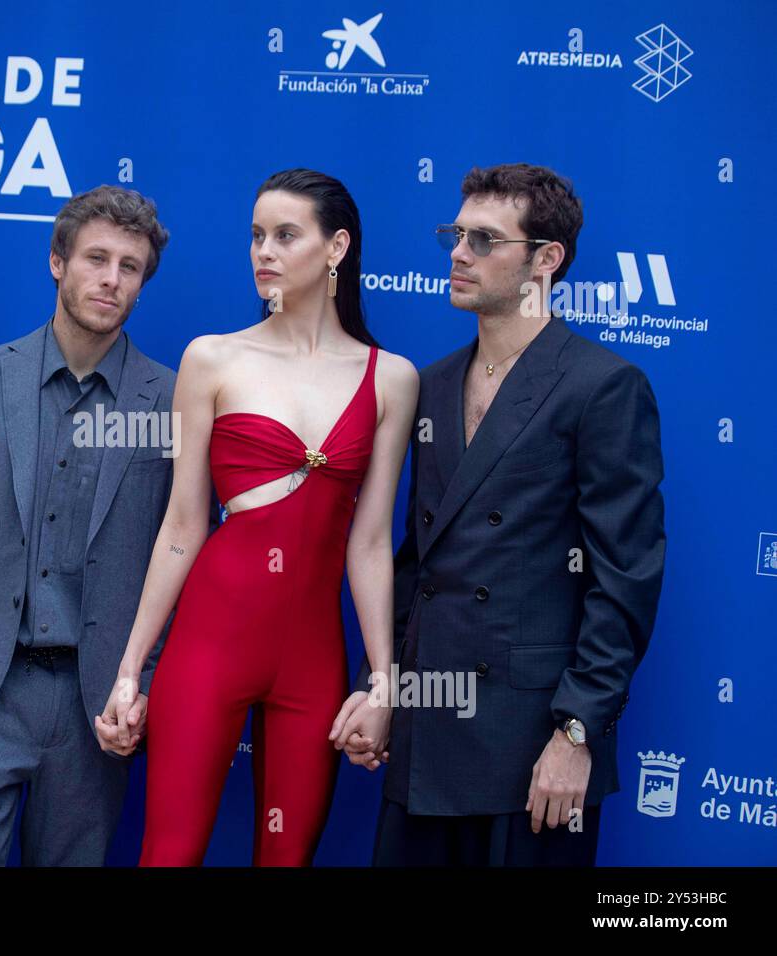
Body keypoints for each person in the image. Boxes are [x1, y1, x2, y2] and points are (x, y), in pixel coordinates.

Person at [340, 163, 666, 866]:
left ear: (546, 260)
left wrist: (576, 735)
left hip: (533, 748)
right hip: (427, 736)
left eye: (484, 240)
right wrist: (386, 685)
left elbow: (625, 580)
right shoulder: (430, 383)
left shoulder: (604, 387)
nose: (458, 254)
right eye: (455, 235)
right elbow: (417, 563)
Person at [111, 168, 419, 866]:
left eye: (285, 235)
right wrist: (133, 670)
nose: (264, 252)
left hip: (313, 660)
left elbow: (370, 544)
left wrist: (383, 684)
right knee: (169, 852)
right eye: (256, 236)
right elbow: (183, 527)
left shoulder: (391, 378)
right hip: (208, 644)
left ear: (337, 247)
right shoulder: (213, 359)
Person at [0, 185, 190, 866]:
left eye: (129, 267)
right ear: (58, 261)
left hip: (94, 706)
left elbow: (181, 555)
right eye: (96, 258)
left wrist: (147, 688)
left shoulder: (172, 400)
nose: (111, 279)